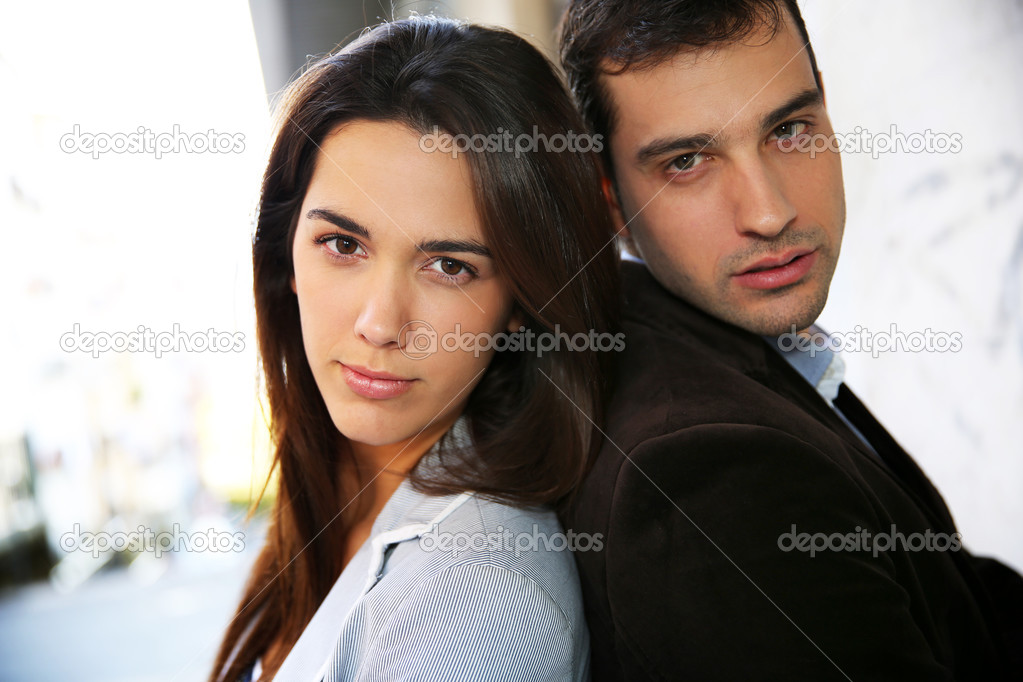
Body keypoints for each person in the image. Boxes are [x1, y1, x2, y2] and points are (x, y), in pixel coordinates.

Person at [558, 0, 1023, 679]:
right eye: (687, 161)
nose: (769, 212)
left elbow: (959, 600)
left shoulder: (731, 351)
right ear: (609, 203)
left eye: (788, 129)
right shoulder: (703, 476)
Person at [209, 16, 619, 681]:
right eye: (343, 245)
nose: (379, 324)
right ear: (285, 254)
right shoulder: (331, 500)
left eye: (449, 266)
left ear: (521, 303)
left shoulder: (479, 593)